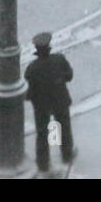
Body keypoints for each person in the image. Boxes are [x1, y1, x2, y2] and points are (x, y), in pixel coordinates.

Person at [25, 30, 75, 176]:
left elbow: (30, 86)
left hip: (42, 104)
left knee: (42, 133)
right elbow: (69, 76)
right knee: (64, 127)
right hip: (60, 100)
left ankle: (43, 162)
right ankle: (67, 154)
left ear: (37, 50)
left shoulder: (32, 68)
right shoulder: (59, 59)